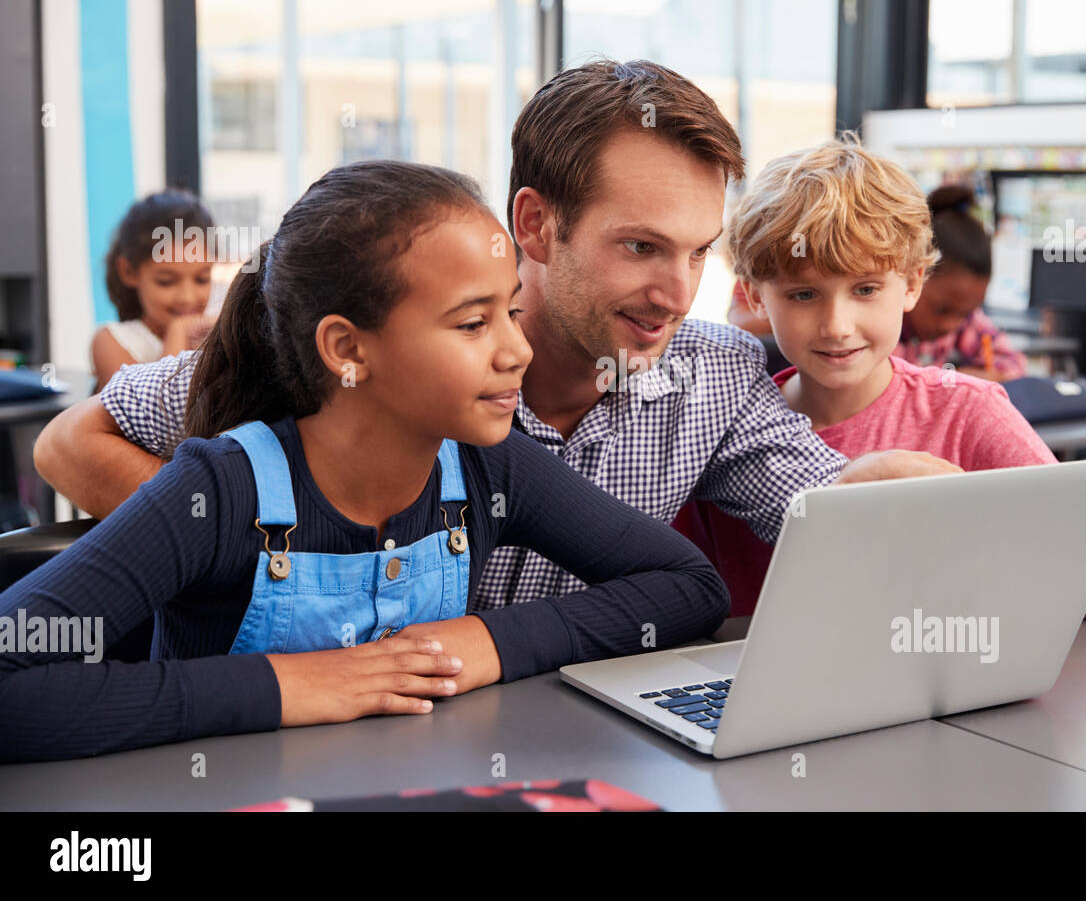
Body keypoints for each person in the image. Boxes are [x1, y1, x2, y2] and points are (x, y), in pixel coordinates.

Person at [35, 60, 958, 612]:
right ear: (538, 226)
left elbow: (818, 504)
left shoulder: (714, 376)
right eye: (640, 246)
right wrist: (232, 551)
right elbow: (71, 442)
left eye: (698, 252)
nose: (677, 292)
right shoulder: (401, 349)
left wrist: (902, 491)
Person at [0, 160, 730, 763]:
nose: (518, 351)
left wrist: (487, 641)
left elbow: (688, 586)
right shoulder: (220, 492)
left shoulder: (489, 468)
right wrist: (290, 686)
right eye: (473, 324)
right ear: (348, 350)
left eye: (509, 312)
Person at [672, 136, 1086, 619]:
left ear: (913, 284)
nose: (837, 326)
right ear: (754, 297)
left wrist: (963, 526)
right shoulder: (722, 425)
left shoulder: (967, 412)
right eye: (803, 295)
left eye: (866, 289)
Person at [894, 184, 1027, 382]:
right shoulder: (883, 329)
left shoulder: (964, 324)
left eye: (964, 313)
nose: (950, 325)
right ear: (912, 278)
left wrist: (962, 378)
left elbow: (1013, 363)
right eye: (942, 310)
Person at [91, 190, 217, 389]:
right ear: (128, 272)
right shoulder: (112, 342)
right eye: (166, 282)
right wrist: (178, 333)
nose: (187, 297)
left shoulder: (214, 332)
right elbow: (159, 414)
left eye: (201, 279)